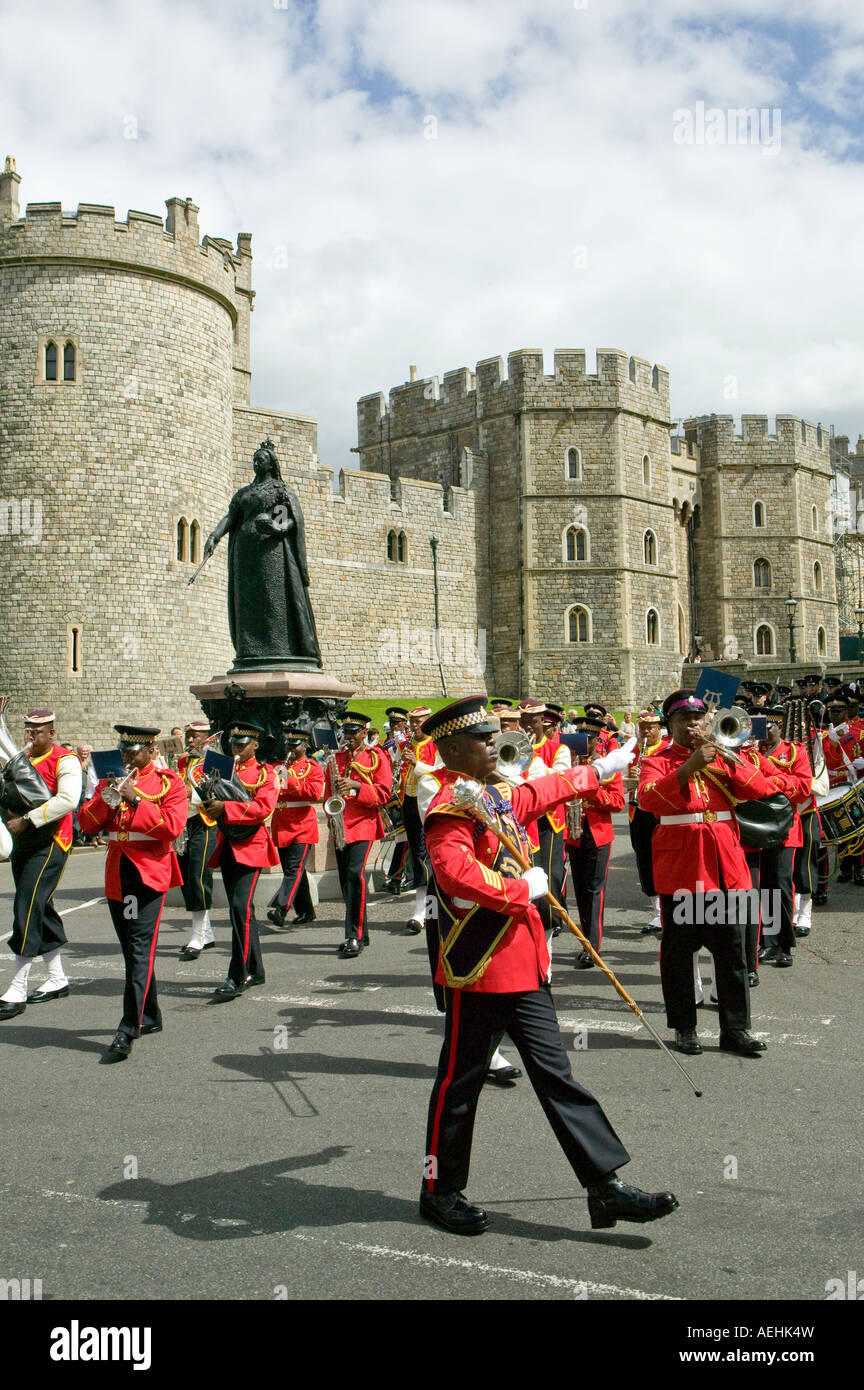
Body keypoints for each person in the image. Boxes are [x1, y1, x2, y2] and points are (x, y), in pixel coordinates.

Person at [419, 696, 677, 1236]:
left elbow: (545, 790)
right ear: (450, 749)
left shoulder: (492, 793)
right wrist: (520, 889)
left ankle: (603, 1187)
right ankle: (438, 1190)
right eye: (483, 739)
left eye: (495, 736)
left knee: (557, 1076)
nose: (495, 744)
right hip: (483, 967)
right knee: (459, 1085)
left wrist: (601, 769)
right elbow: (454, 873)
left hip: (524, 964)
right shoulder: (449, 805)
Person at [638, 690, 775, 1059]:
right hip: (683, 867)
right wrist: (688, 767)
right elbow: (648, 800)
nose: (694, 725)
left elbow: (759, 789)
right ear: (671, 724)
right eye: (685, 719)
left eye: (699, 719)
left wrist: (731, 760)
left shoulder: (724, 755)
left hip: (723, 864)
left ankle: (736, 1029)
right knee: (680, 952)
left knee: (732, 951)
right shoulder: (659, 760)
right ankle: (685, 1027)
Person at [79, 724, 186, 1061]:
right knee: (131, 949)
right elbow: (86, 824)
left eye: (134, 752)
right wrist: (105, 799)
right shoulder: (108, 781)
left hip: (149, 874)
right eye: (123, 751)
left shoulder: (170, 783)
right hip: (119, 873)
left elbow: (172, 827)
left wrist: (136, 800)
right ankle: (150, 1015)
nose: (127, 758)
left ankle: (128, 1027)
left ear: (151, 751)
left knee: (140, 947)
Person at [0, 710, 82, 1019]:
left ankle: (17, 988)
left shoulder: (66, 760)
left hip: (50, 842)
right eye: (28, 731)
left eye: (38, 731)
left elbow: (68, 800)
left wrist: (28, 819)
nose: (31, 737)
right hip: (24, 842)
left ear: (51, 732)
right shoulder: (21, 759)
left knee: (26, 905)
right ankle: (57, 979)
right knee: (40, 907)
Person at [201, 721, 279, 1000]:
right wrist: (210, 805)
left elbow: (263, 808)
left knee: (239, 907)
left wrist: (227, 807)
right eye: (234, 743)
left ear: (255, 745)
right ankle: (256, 969)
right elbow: (209, 799)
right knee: (242, 911)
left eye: (243, 743)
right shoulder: (223, 768)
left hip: (251, 845)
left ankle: (238, 974)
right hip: (228, 844)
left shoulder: (265, 773)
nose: (237, 747)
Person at [323, 710, 392, 957]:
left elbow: (383, 793)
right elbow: (327, 793)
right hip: (340, 824)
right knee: (346, 881)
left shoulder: (376, 757)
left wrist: (355, 787)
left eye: (354, 733)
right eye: (346, 732)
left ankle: (353, 935)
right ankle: (362, 932)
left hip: (363, 823)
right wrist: (330, 812)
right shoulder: (337, 757)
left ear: (364, 732)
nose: (348, 737)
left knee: (355, 876)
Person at [565, 718, 625, 968]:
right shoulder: (569, 764)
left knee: (594, 890)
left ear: (596, 741)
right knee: (579, 890)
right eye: (581, 739)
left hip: (598, 832)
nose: (585, 744)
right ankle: (586, 941)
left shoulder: (607, 766)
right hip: (575, 832)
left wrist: (593, 789)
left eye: (590, 740)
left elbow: (618, 802)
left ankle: (593, 946)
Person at [266, 726, 325, 928]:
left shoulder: (312, 767)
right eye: (288, 744)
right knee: (293, 871)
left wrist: (290, 780)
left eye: (295, 744)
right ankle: (306, 911)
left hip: (301, 825)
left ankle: (281, 908)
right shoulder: (276, 766)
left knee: (293, 869)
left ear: (305, 746)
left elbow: (314, 793)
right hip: (282, 823)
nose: (290, 748)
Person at [177, 721, 219, 960]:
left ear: (207, 738)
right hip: (185, 822)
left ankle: (197, 935)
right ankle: (206, 931)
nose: (190, 741)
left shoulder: (214, 760)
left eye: (195, 736)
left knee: (198, 875)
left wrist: (189, 794)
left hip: (205, 822)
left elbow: (217, 790)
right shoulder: (183, 761)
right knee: (186, 877)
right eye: (188, 736)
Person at [399, 707, 443, 934]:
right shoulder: (406, 744)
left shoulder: (437, 744)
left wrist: (416, 763)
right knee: (417, 856)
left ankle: (427, 912)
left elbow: (441, 774)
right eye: (412, 721)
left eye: (419, 721)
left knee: (428, 857)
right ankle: (425, 911)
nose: (414, 725)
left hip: (429, 804)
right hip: (408, 801)